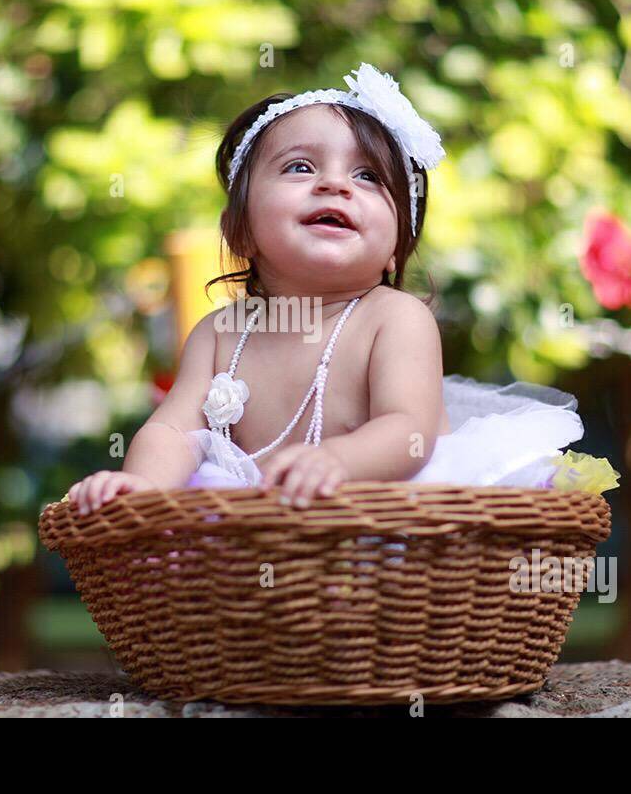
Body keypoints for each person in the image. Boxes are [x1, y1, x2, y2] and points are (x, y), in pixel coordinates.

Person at [67, 63, 585, 513]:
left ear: (394, 249)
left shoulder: (394, 319)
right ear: (240, 230)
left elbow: (409, 430)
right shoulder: (221, 333)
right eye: (300, 166)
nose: (335, 184)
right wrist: (141, 485)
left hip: (382, 524)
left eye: (367, 176)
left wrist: (336, 460)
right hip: (257, 537)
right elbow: (175, 431)